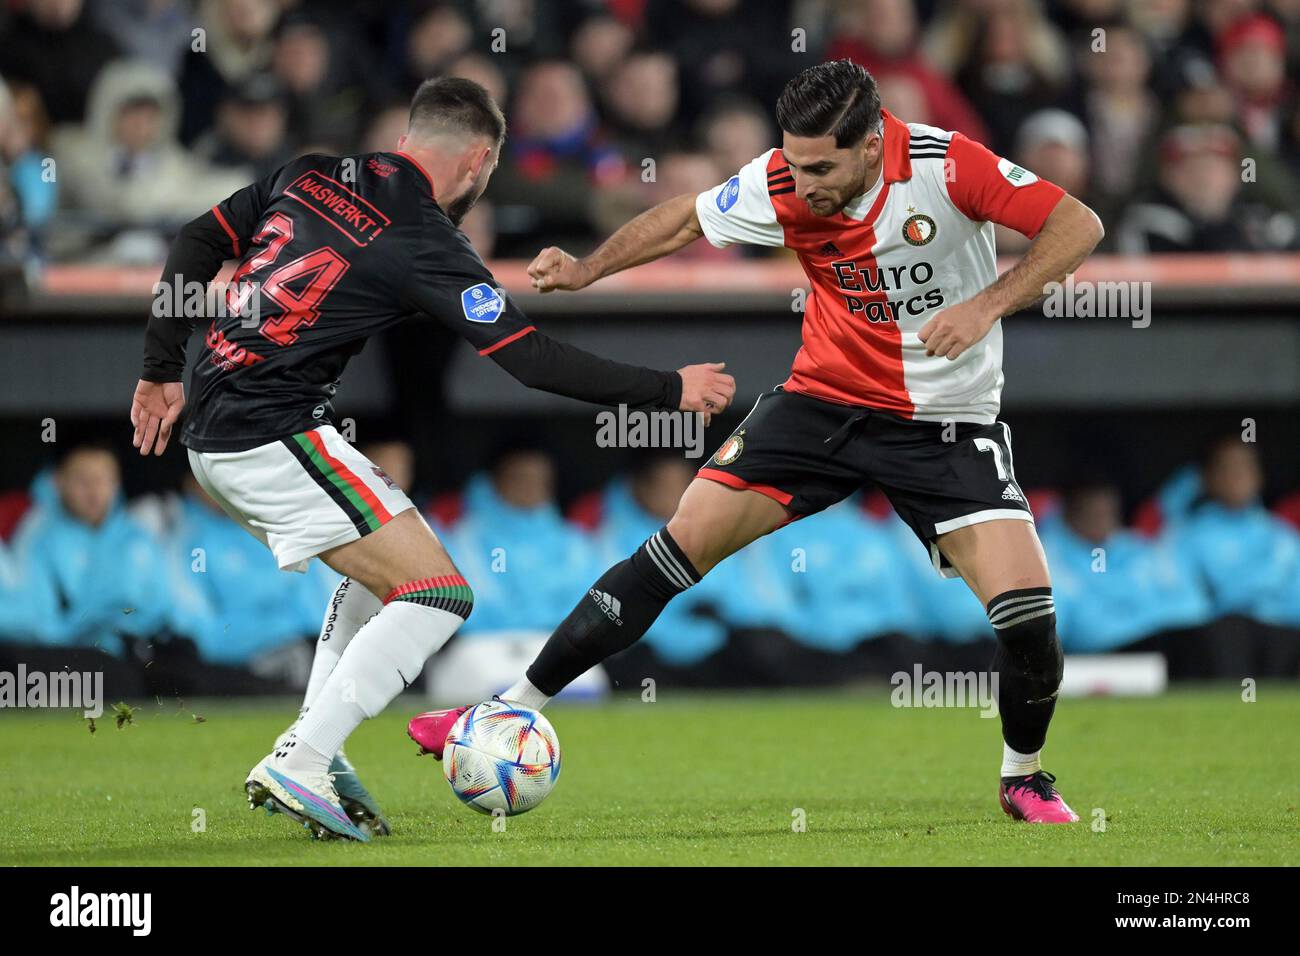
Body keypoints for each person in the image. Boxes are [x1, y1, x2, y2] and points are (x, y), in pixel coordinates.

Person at [410, 60, 1105, 824]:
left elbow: (1078, 223)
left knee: (1029, 620)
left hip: (947, 422)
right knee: (674, 551)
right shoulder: (780, 179)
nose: (801, 184)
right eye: (793, 162)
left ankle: (1023, 776)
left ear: (872, 147)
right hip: (820, 406)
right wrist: (586, 271)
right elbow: (680, 218)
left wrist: (987, 306)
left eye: (820, 168)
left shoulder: (946, 165)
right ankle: (504, 709)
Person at [129, 76, 734, 842]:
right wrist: (668, 388)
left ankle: (324, 750)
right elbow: (534, 362)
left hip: (225, 420)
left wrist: (157, 369)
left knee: (387, 569)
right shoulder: (423, 236)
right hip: (266, 433)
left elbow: (195, 238)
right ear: (479, 161)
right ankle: (302, 757)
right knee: (440, 593)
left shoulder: (313, 172)